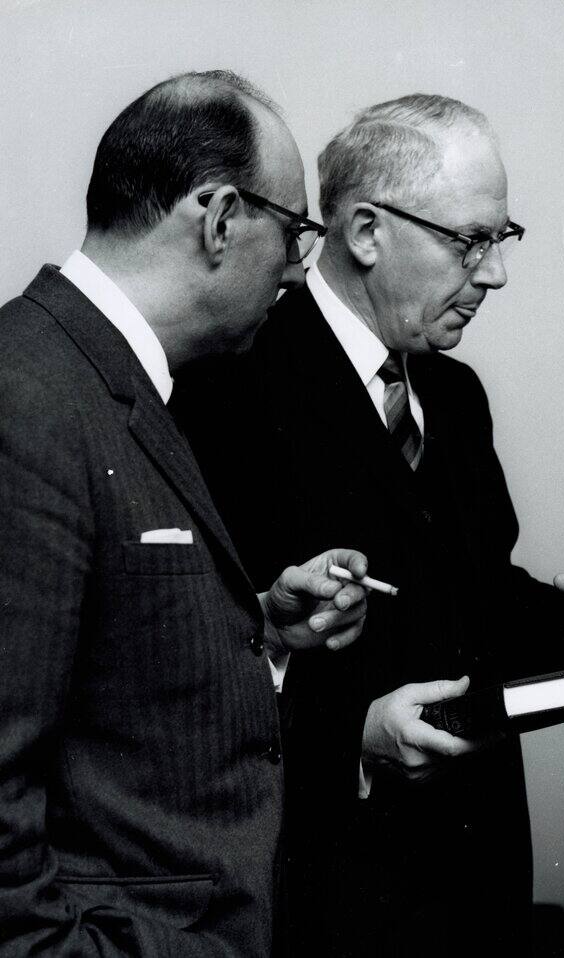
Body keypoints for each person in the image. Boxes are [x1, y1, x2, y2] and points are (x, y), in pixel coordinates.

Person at [173, 94, 564, 956]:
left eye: (503, 237)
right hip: (314, 896)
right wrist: (350, 739)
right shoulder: (228, 380)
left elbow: (469, 602)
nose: (494, 275)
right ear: (368, 231)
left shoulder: (455, 396)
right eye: (470, 241)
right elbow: (181, 656)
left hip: (475, 892)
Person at [0, 71, 373, 955]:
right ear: (217, 218)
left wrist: (264, 636)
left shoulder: (113, 381)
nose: (300, 266)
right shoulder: (29, 396)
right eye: (295, 231)